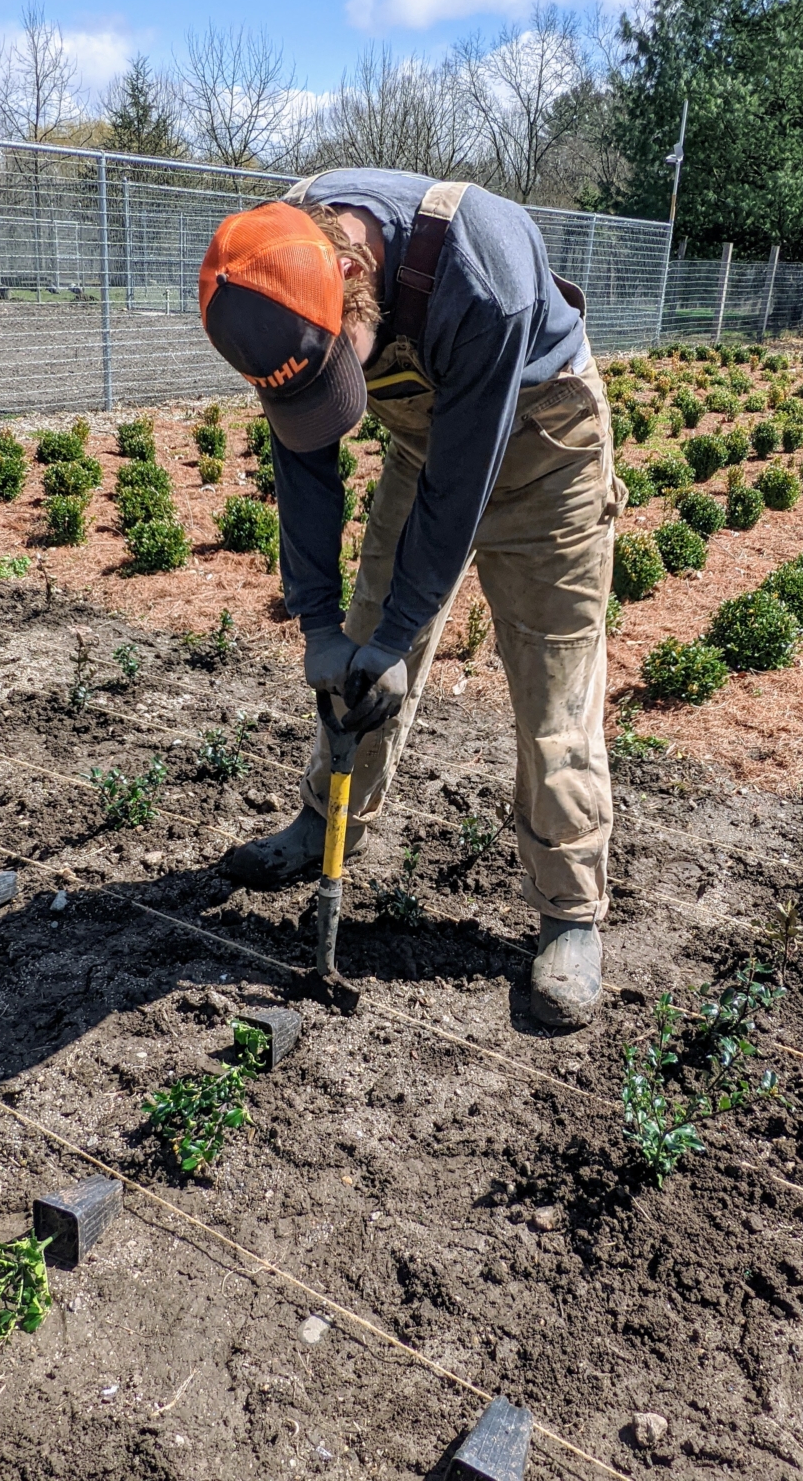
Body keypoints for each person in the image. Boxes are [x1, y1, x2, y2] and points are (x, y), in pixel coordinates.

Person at [197, 169, 625, 1029]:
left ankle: (569, 912)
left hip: (547, 452)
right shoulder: (274, 266)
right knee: (359, 661)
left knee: (553, 694)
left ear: (357, 284)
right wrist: (324, 625)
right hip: (426, 445)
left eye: (331, 373)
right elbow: (305, 462)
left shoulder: (483, 271)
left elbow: (460, 493)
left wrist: (402, 632)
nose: (321, 398)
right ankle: (326, 826)